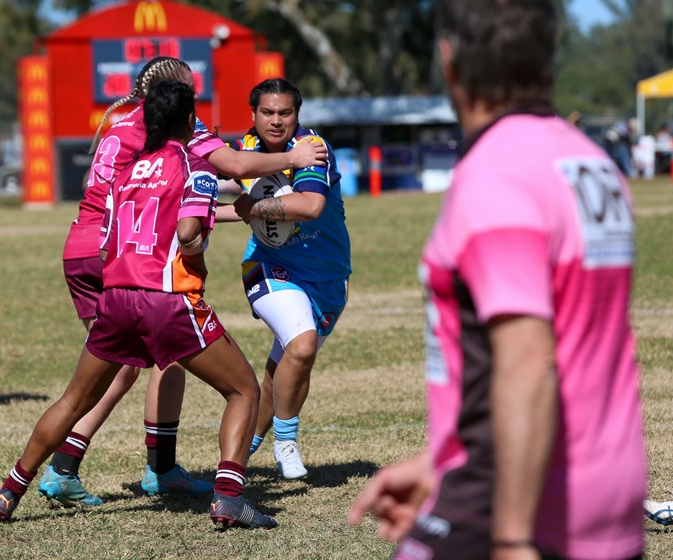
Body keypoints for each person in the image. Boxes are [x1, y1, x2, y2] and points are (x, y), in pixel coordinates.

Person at [348, 2, 646, 559]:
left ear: (448, 59)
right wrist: (439, 464)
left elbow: (529, 361)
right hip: (606, 495)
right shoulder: (590, 161)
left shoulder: (495, 175)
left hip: (520, 503)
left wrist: (511, 538)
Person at [0, 80, 277, 529]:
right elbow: (186, 234)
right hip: (168, 299)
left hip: (116, 298)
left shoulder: (125, 173)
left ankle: (9, 490)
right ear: (188, 121)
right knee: (244, 391)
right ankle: (229, 498)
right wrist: (196, 251)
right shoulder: (194, 167)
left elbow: (108, 246)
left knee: (73, 399)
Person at [40, 57, 327, 507]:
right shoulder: (175, 127)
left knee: (147, 359)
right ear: (173, 98)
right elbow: (230, 163)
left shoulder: (118, 123)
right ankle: (67, 466)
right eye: (189, 94)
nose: (195, 104)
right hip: (121, 251)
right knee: (122, 366)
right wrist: (293, 157)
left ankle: (156, 467)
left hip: (85, 244)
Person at [232, 78, 352, 480]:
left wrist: (250, 206)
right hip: (267, 266)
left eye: (285, 113)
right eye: (267, 112)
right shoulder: (246, 148)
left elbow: (311, 205)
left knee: (282, 366)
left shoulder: (312, 150)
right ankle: (286, 441)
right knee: (300, 347)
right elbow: (231, 185)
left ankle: (241, 455)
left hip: (327, 278)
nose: (276, 121)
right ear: (253, 115)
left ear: (297, 115)